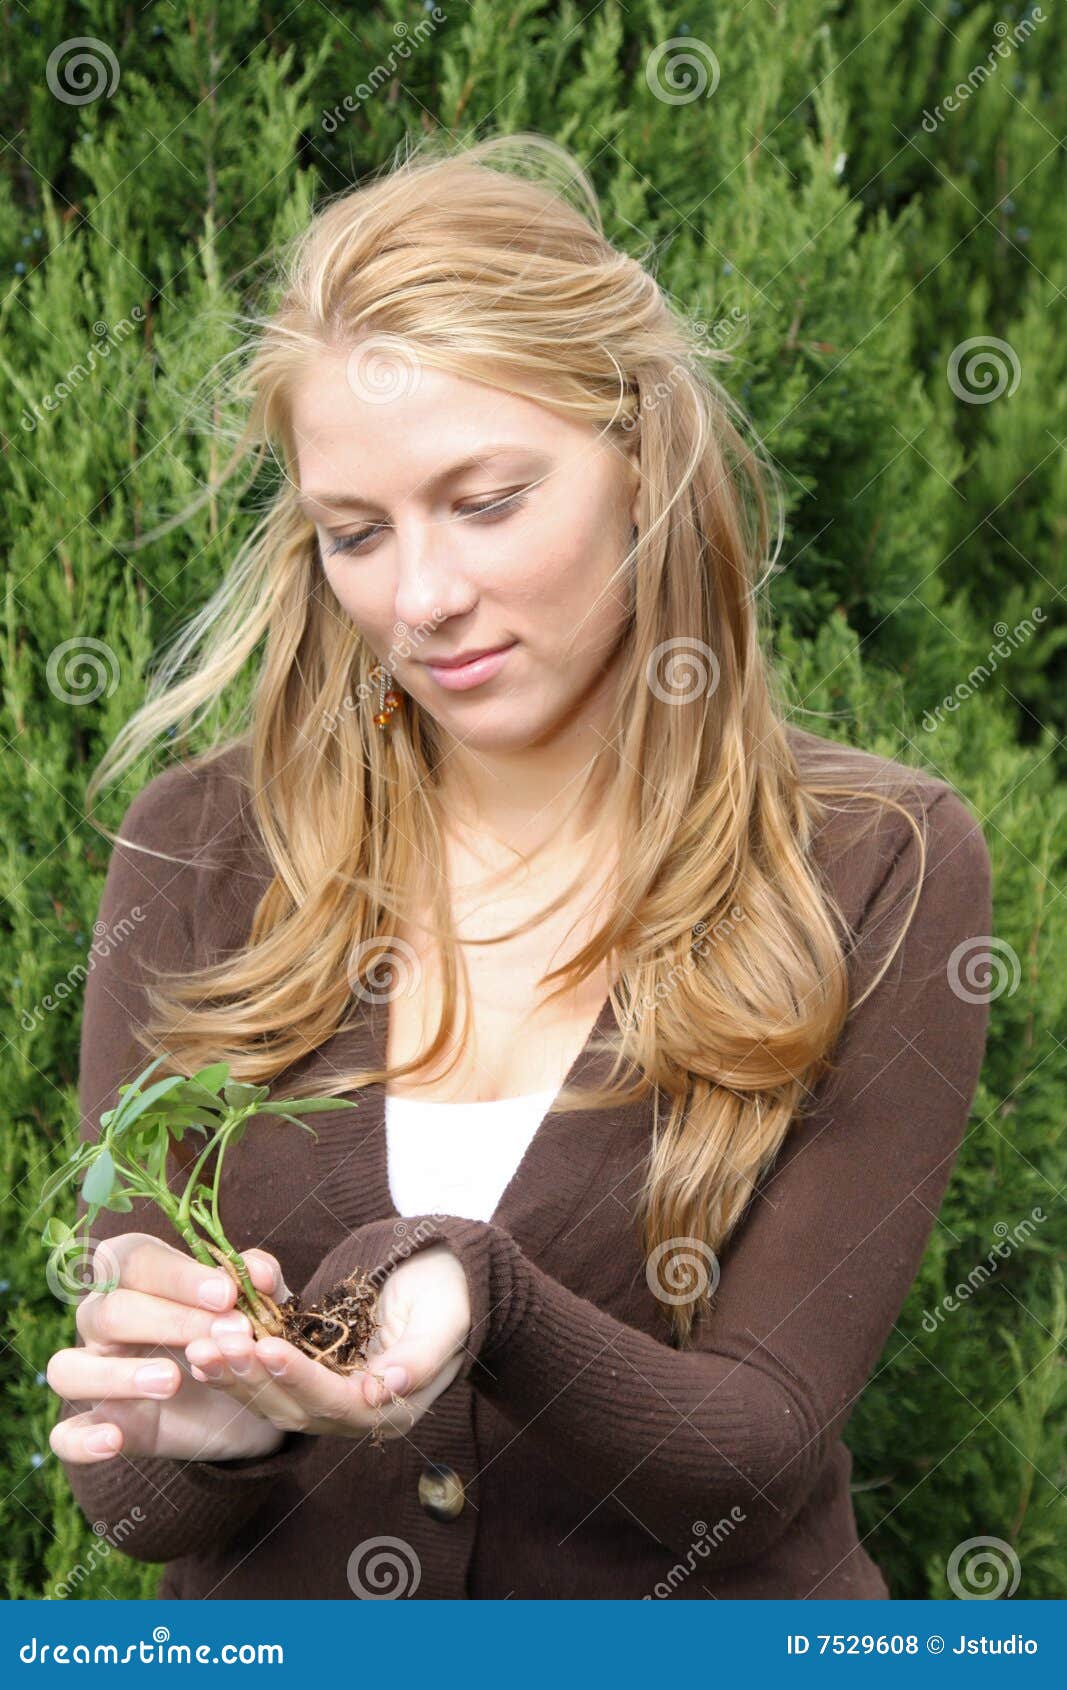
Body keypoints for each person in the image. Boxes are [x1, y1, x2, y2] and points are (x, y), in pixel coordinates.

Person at [46, 132, 992, 1600]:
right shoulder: (199, 849)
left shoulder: (880, 862)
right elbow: (131, 1492)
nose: (421, 597)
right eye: (355, 533)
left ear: (641, 459)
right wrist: (212, 1430)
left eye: (487, 501)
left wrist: (478, 1295)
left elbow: (761, 1444)